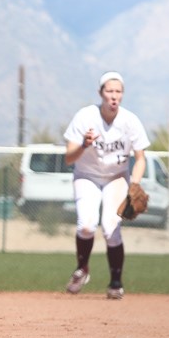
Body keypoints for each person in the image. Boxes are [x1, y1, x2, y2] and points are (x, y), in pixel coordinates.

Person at [63, 71, 151, 300]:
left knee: (111, 228)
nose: (114, 96)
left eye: (118, 91)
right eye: (109, 91)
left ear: (122, 95)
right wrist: (84, 144)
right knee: (86, 226)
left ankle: (115, 281)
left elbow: (140, 158)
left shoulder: (130, 121)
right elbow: (69, 158)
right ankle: (82, 269)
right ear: (100, 93)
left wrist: (135, 184)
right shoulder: (85, 117)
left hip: (116, 177)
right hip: (86, 175)